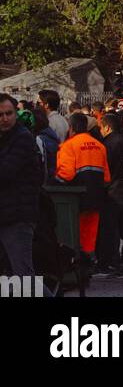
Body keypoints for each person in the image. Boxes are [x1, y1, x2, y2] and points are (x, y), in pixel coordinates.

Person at [55, 111, 111, 268]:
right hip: (96, 197)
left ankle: (74, 265)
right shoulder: (100, 146)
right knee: (89, 235)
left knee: (73, 236)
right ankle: (87, 265)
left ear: (71, 128)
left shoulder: (69, 145)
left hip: (75, 200)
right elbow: (107, 178)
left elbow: (66, 174)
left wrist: (53, 184)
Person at [93, 110, 123, 278]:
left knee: (108, 231)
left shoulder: (106, 145)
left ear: (107, 127)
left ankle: (106, 264)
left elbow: (104, 172)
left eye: (101, 127)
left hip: (112, 194)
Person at [0, 92, 42, 278]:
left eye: (9, 113)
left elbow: (6, 172)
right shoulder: (6, 138)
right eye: (0, 115)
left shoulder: (22, 137)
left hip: (17, 216)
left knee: (24, 276)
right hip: (6, 213)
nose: (5, 118)